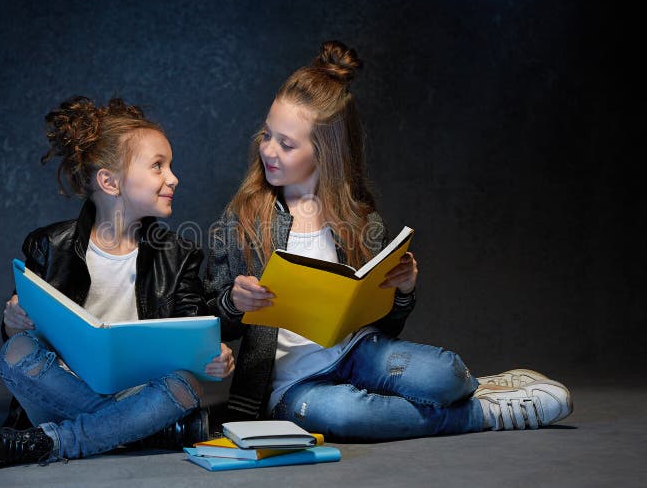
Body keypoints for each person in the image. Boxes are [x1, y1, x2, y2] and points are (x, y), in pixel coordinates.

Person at [204, 41, 572, 442]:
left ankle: (470, 388)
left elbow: (387, 325)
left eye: (287, 144)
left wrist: (403, 290)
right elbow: (210, 318)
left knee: (445, 374)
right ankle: (482, 413)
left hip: (358, 352)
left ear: (325, 152)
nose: (269, 151)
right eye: (267, 135)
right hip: (292, 385)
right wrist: (235, 302)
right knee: (346, 416)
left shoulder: (359, 220)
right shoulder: (242, 219)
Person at [0, 95, 235, 469]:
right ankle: (143, 430)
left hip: (139, 391)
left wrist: (213, 357)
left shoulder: (180, 255)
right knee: (15, 353)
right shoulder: (50, 244)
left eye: (170, 166)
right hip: (65, 389)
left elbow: (192, 334)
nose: (173, 177)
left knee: (185, 383)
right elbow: (20, 332)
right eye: (158, 166)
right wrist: (13, 320)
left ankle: (50, 441)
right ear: (110, 182)